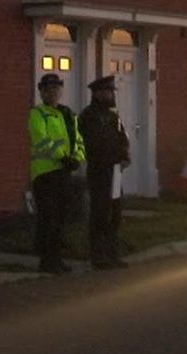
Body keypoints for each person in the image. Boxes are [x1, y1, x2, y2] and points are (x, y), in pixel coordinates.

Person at [28, 73, 84, 274]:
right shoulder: (38, 114)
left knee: (60, 218)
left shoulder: (68, 114)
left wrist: (77, 157)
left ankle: (57, 258)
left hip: (63, 172)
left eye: (56, 89)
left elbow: (78, 139)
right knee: (48, 218)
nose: (53, 93)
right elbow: (42, 140)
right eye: (48, 90)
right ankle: (47, 260)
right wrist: (62, 157)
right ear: (42, 92)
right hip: (45, 174)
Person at [79, 75, 132, 270]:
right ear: (98, 94)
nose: (111, 95)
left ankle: (112, 253)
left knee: (115, 213)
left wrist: (125, 155)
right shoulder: (89, 116)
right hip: (100, 171)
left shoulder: (113, 116)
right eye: (108, 92)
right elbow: (92, 144)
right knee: (100, 213)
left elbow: (122, 137)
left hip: (116, 172)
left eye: (111, 92)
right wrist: (110, 156)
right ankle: (98, 256)